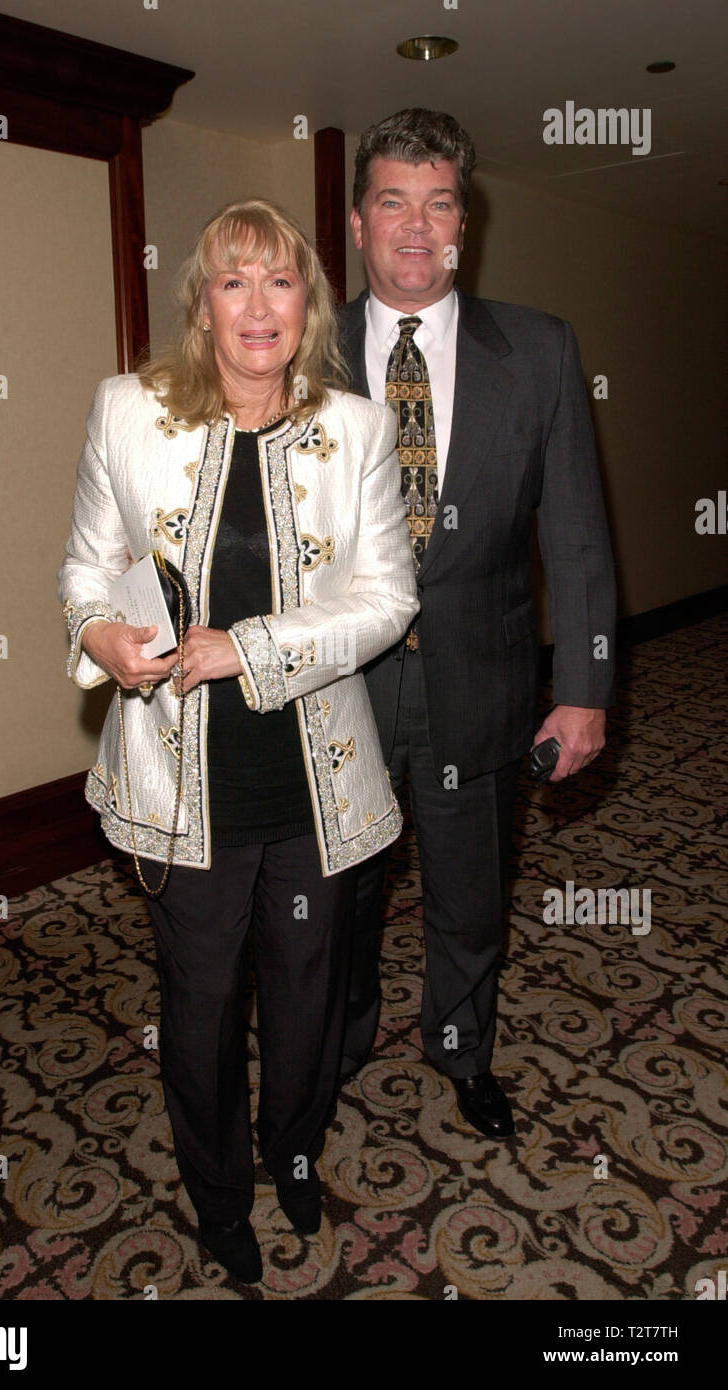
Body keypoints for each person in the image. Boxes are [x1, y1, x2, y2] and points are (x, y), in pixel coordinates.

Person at [57, 199, 418, 1282]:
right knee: (202, 1006)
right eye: (233, 281)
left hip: (315, 782)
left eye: (281, 281)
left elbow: (388, 601)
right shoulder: (125, 410)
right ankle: (218, 1195)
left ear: (307, 302)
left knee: (308, 994)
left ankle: (293, 1147)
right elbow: (84, 566)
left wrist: (245, 649)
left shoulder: (355, 428)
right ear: (202, 302)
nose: (258, 305)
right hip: (181, 784)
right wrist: (103, 636)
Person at [339, 109, 616, 1138]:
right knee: (339, 896)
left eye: (440, 202)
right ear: (360, 221)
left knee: (470, 893)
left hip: (483, 681)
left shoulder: (538, 351)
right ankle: (340, 1037)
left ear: (466, 223)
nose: (417, 227)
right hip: (338, 693)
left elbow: (579, 532)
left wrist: (584, 688)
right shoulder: (296, 349)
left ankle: (462, 1048)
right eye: (393, 203)